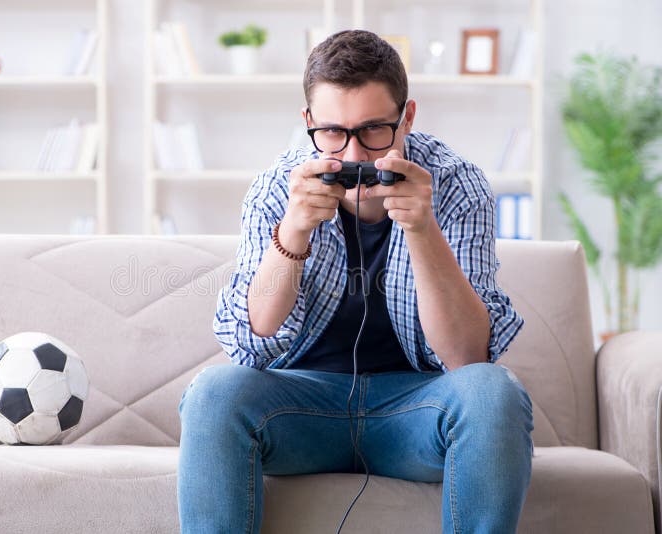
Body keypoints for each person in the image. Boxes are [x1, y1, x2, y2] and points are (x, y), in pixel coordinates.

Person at [178, 29, 533, 534]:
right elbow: (250, 341)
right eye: (332, 133)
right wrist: (293, 231)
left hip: (417, 407)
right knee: (214, 392)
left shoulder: (456, 184)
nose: (354, 156)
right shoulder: (278, 187)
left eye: (373, 130)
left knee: (494, 392)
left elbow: (467, 358)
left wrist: (422, 229)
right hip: (301, 407)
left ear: (407, 117)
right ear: (308, 122)